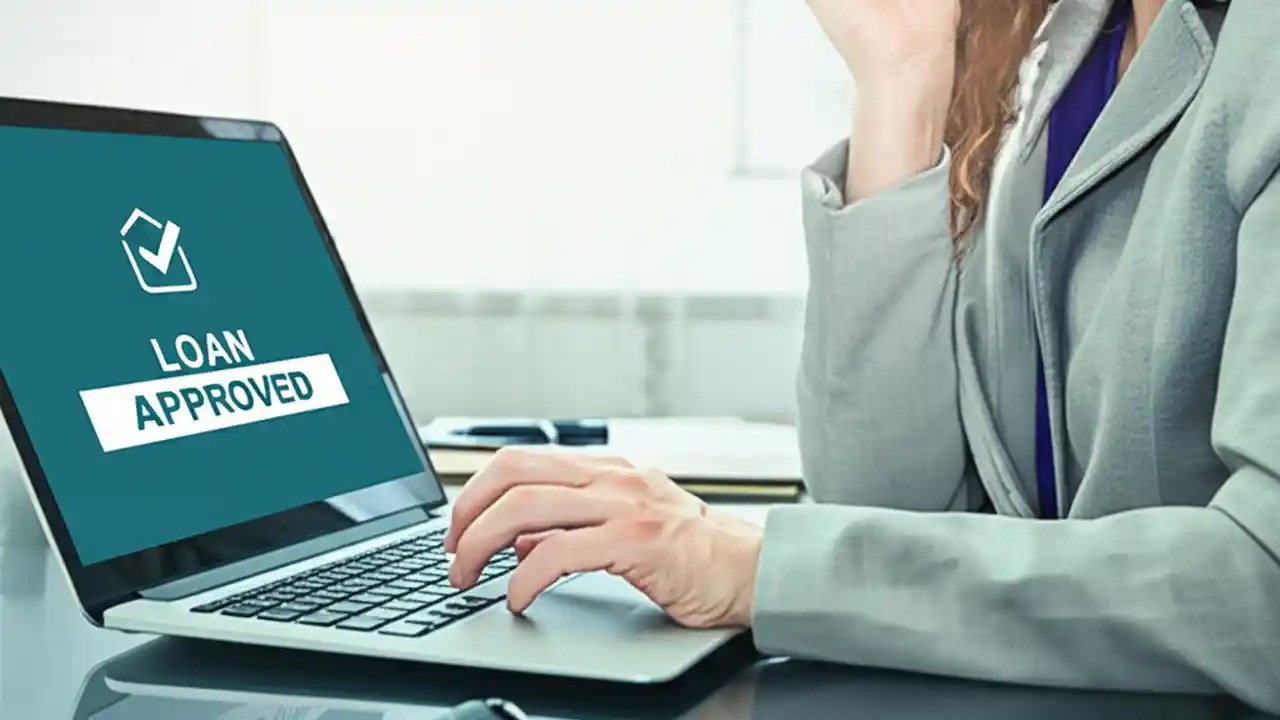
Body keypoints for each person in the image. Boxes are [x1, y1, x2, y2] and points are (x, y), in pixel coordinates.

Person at [444, 0, 1280, 710]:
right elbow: (888, 510)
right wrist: (902, 77)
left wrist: (758, 567)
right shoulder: (1075, 44)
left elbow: (1261, 588)